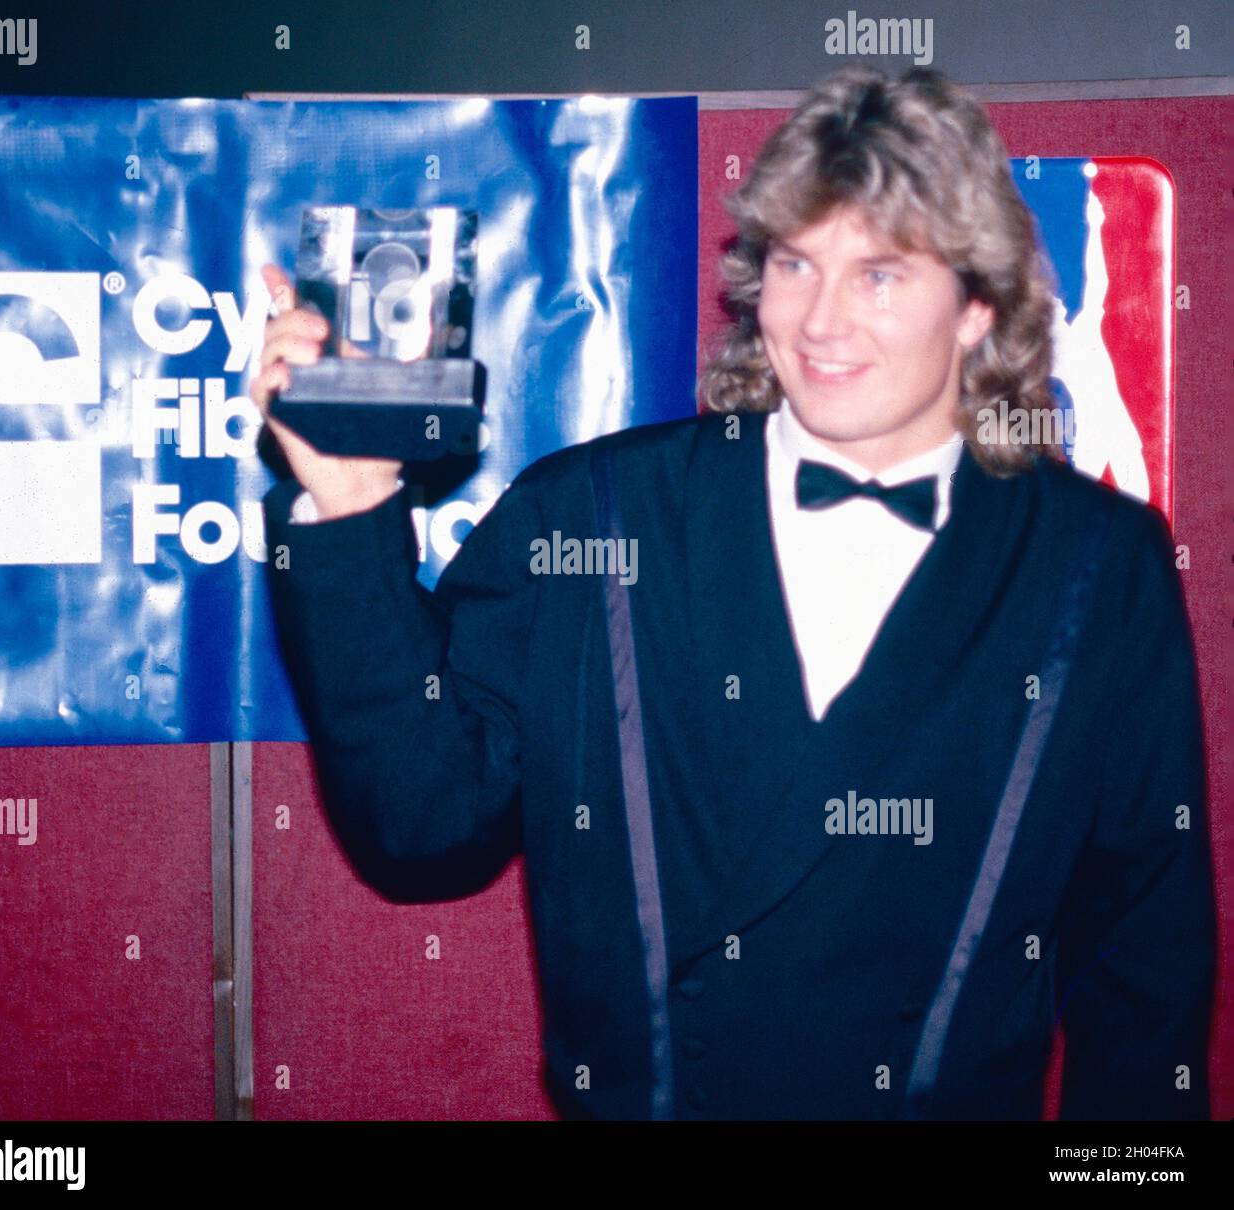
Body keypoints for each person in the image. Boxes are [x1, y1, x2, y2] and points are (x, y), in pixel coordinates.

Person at [249, 65, 1215, 1121]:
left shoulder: (1098, 562)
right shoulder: (590, 514)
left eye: (879, 275)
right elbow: (419, 825)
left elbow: (1144, 965)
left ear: (977, 304)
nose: (822, 322)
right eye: (796, 264)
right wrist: (348, 504)